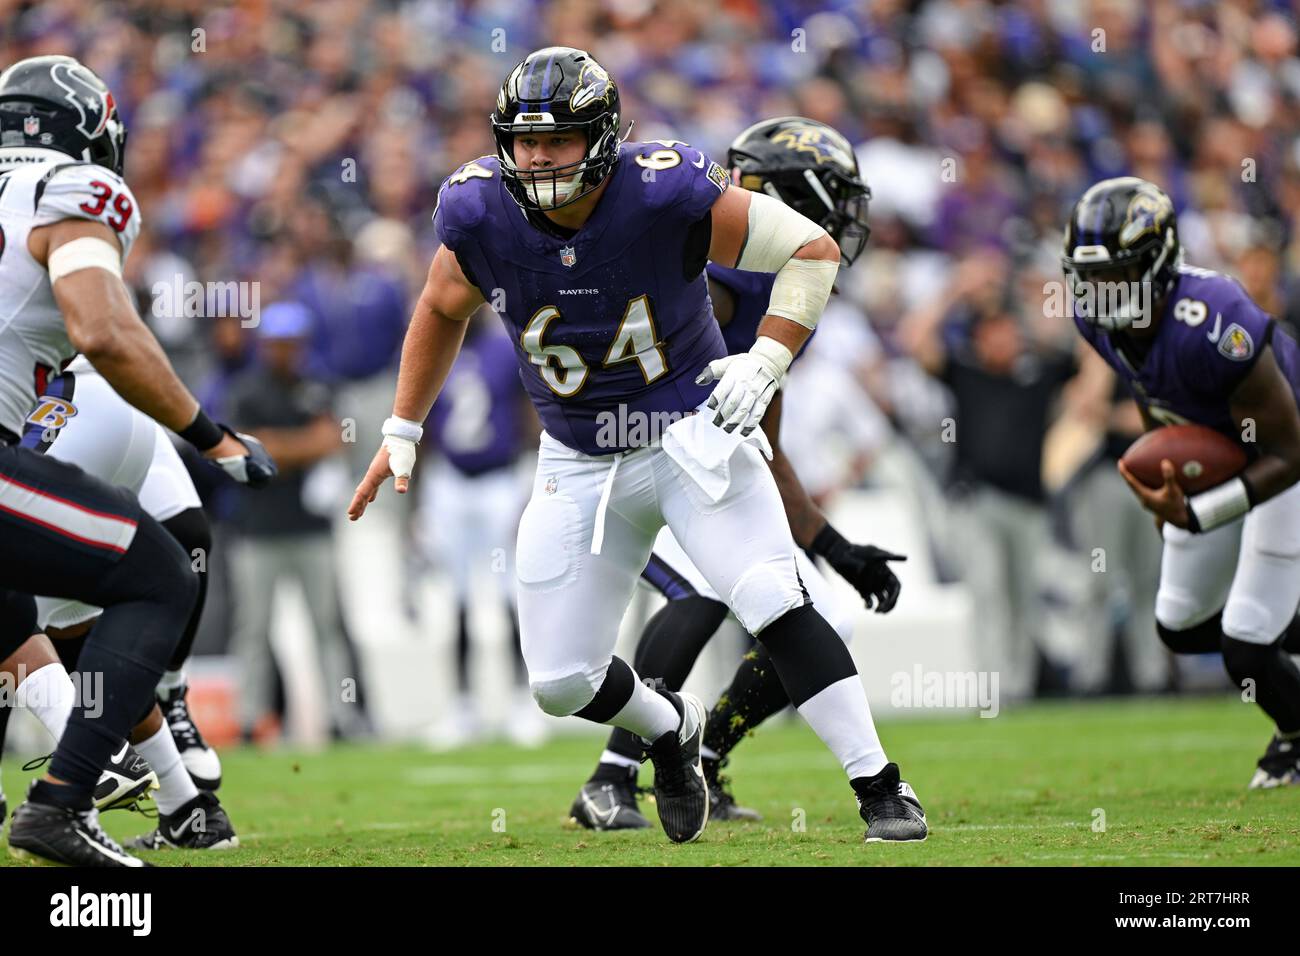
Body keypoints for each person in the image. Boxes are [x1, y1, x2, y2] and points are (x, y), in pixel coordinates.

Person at [350, 48, 927, 845]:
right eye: (523, 141)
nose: (538, 158)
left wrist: (765, 358)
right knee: (558, 683)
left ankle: (882, 789)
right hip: (576, 456)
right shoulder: (477, 210)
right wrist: (402, 428)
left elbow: (812, 252)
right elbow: (442, 305)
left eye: (559, 140)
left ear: (606, 138)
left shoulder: (664, 190)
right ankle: (673, 730)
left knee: (772, 596)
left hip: (688, 436)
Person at [566, 116, 905, 830]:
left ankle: (706, 757)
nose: (846, 220)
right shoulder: (716, 276)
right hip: (626, 453)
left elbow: (764, 451)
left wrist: (835, 546)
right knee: (700, 595)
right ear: (786, 196)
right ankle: (611, 779)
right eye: (832, 199)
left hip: (706, 470)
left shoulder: (780, 291)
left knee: (811, 617)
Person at [0, 55, 273, 867]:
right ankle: (62, 800)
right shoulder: (72, 190)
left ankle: (176, 793)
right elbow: (103, 331)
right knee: (158, 576)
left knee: (12, 614)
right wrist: (213, 436)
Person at [1064, 176, 1300, 788]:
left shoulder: (1214, 319)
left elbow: (1289, 448)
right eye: (1093, 278)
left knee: (1246, 642)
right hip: (1225, 456)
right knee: (1181, 625)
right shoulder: (1098, 322)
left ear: (1160, 260)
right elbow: (1156, 399)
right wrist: (1165, 474)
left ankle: (1295, 739)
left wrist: (1203, 510)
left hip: (1285, 457)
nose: (1103, 293)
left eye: (1119, 275)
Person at [227, 302, 361, 741]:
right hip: (258, 530)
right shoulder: (247, 391)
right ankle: (251, 720)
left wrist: (283, 447)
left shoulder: (317, 387)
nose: (287, 351)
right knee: (254, 629)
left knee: (326, 626)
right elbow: (254, 451)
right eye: (279, 343)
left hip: (311, 528)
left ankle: (340, 718)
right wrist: (304, 445)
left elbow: (336, 440)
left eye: (293, 343)